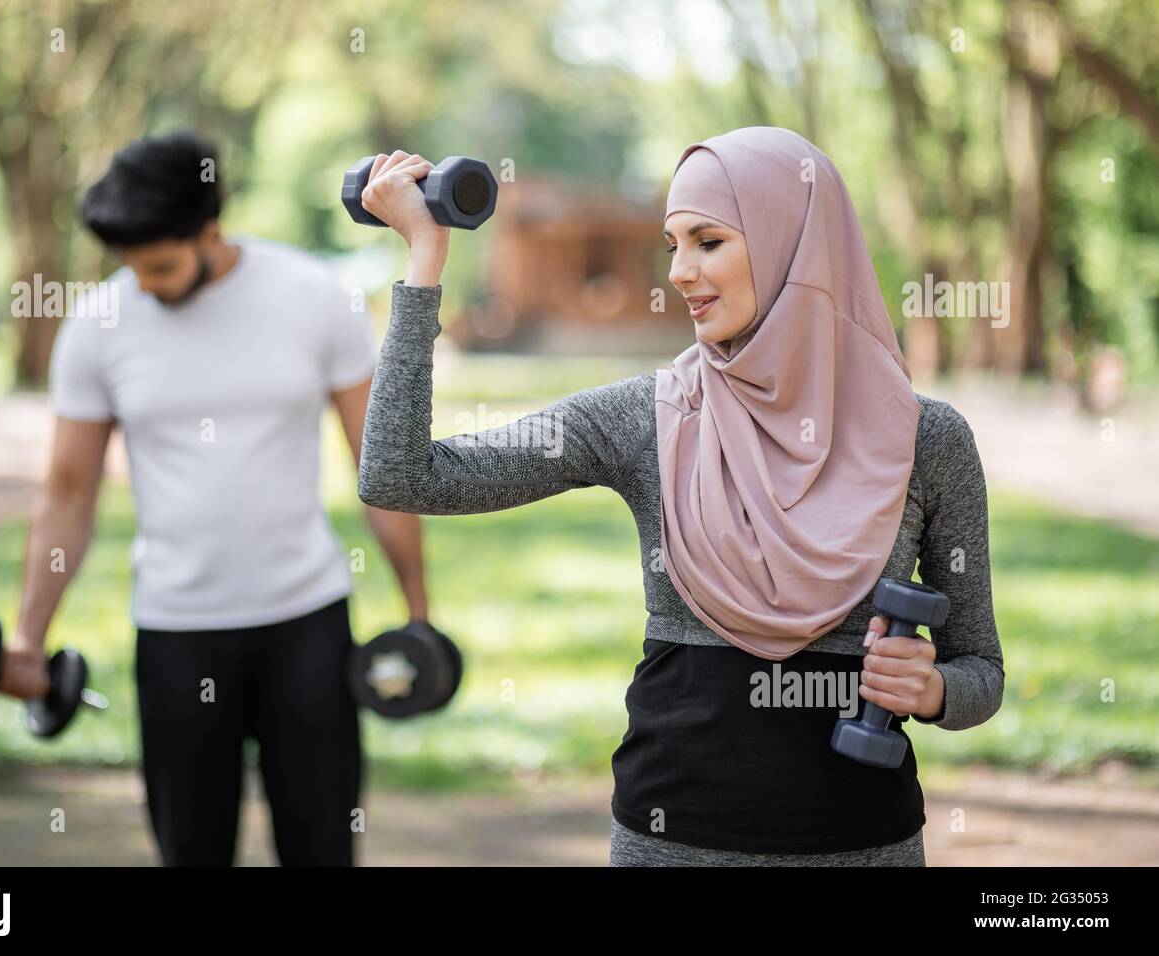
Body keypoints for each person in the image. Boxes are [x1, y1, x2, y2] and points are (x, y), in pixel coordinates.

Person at [355, 129, 1005, 866]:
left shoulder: (928, 439)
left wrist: (933, 691)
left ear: (793, 241)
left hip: (865, 844)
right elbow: (400, 476)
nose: (682, 273)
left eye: (708, 241)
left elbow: (980, 672)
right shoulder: (647, 418)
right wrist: (422, 265)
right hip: (673, 841)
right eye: (672, 245)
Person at [0, 131, 432, 866]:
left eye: (161, 265)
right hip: (175, 631)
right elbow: (67, 496)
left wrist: (419, 614)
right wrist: (28, 637)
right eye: (131, 267)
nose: (145, 284)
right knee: (190, 852)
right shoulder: (98, 325)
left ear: (211, 230)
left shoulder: (314, 297)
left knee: (322, 848)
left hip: (308, 624)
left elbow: (379, 469)